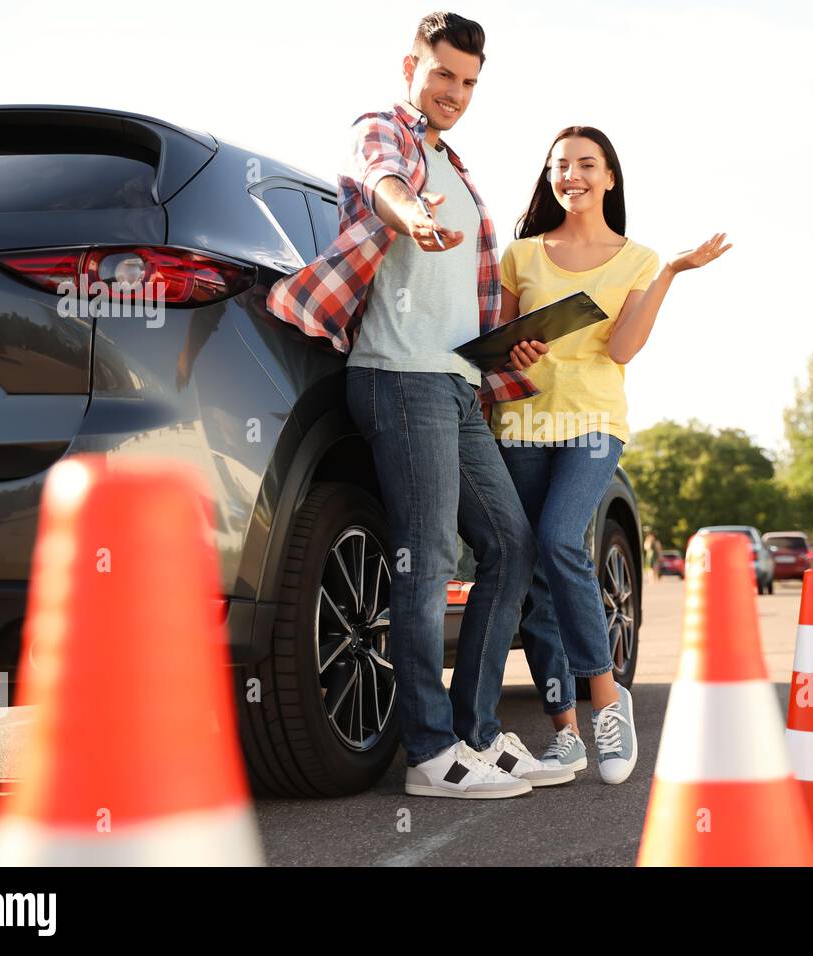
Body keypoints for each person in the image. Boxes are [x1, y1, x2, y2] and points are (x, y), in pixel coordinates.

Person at [267, 11, 566, 798]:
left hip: (457, 381)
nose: (455, 93)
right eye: (443, 75)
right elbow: (383, 183)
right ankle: (430, 753)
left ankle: (476, 733)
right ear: (411, 68)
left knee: (511, 547)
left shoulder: (457, 166)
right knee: (426, 560)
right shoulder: (384, 132)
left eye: (469, 82)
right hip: (398, 377)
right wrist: (413, 212)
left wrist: (507, 345)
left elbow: (460, 299)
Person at [490, 125, 731, 784]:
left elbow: (622, 349)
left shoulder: (639, 260)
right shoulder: (520, 256)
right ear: (549, 176)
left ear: (610, 177)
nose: (572, 174)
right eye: (560, 165)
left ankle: (606, 700)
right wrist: (516, 352)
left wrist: (675, 273)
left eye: (586, 164)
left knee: (561, 537)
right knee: (538, 583)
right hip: (522, 423)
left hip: (594, 425)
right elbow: (497, 350)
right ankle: (564, 734)